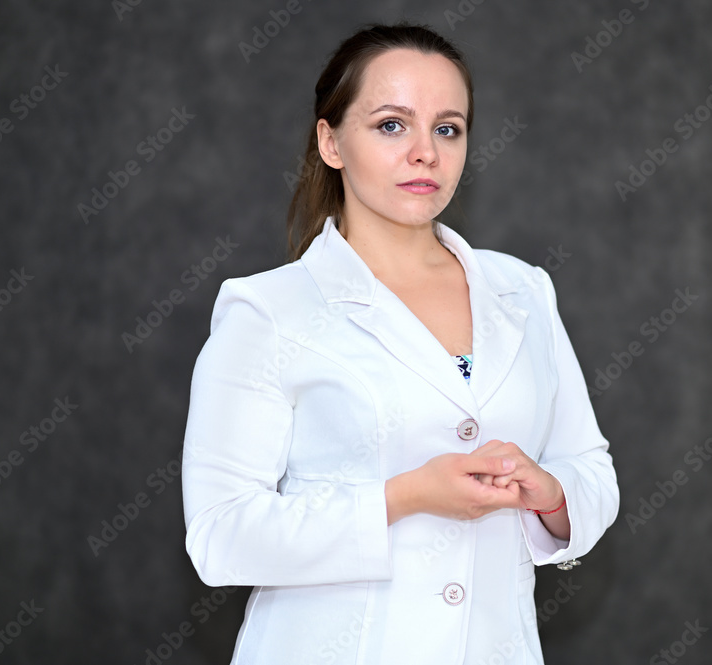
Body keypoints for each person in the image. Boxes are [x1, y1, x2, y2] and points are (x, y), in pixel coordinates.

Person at [181, 21, 619, 665]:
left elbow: (591, 469)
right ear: (330, 141)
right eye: (392, 125)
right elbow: (221, 537)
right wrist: (404, 497)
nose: (426, 153)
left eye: (448, 128)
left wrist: (550, 493)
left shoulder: (523, 290)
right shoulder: (268, 311)